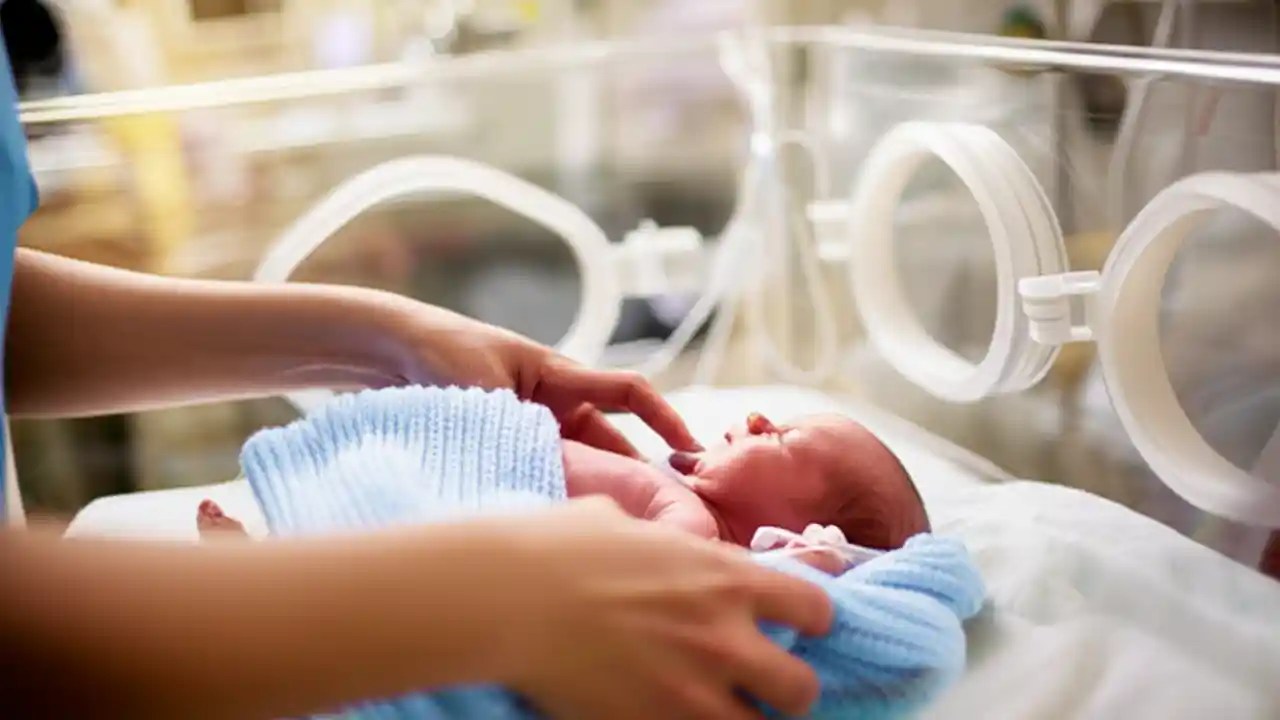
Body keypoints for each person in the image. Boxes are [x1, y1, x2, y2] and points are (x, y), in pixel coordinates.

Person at [0, 43, 831, 720]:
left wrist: (387, 336)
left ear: (816, 534)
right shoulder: (662, 495)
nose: (756, 419)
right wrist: (481, 598)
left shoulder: (746, 545)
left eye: (791, 441)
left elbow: (4, 312)